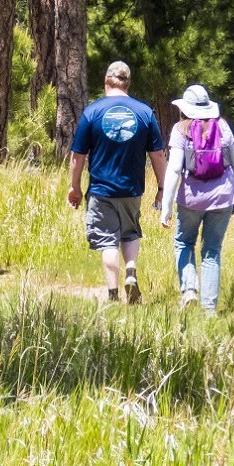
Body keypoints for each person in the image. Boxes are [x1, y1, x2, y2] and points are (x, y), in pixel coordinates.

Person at [67, 61, 166, 304]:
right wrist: (162, 188)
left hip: (101, 189)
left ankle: (112, 295)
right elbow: (158, 154)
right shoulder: (144, 112)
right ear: (128, 83)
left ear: (105, 81)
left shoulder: (92, 112)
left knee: (107, 240)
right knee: (130, 233)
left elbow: (77, 156)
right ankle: (131, 271)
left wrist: (75, 186)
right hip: (132, 189)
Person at [159, 85, 234, 314]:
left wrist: (165, 207)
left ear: (185, 109)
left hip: (191, 200)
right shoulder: (223, 126)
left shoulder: (181, 129)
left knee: (184, 242)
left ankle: (189, 291)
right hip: (222, 197)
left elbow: (174, 169)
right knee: (212, 250)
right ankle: (209, 311)